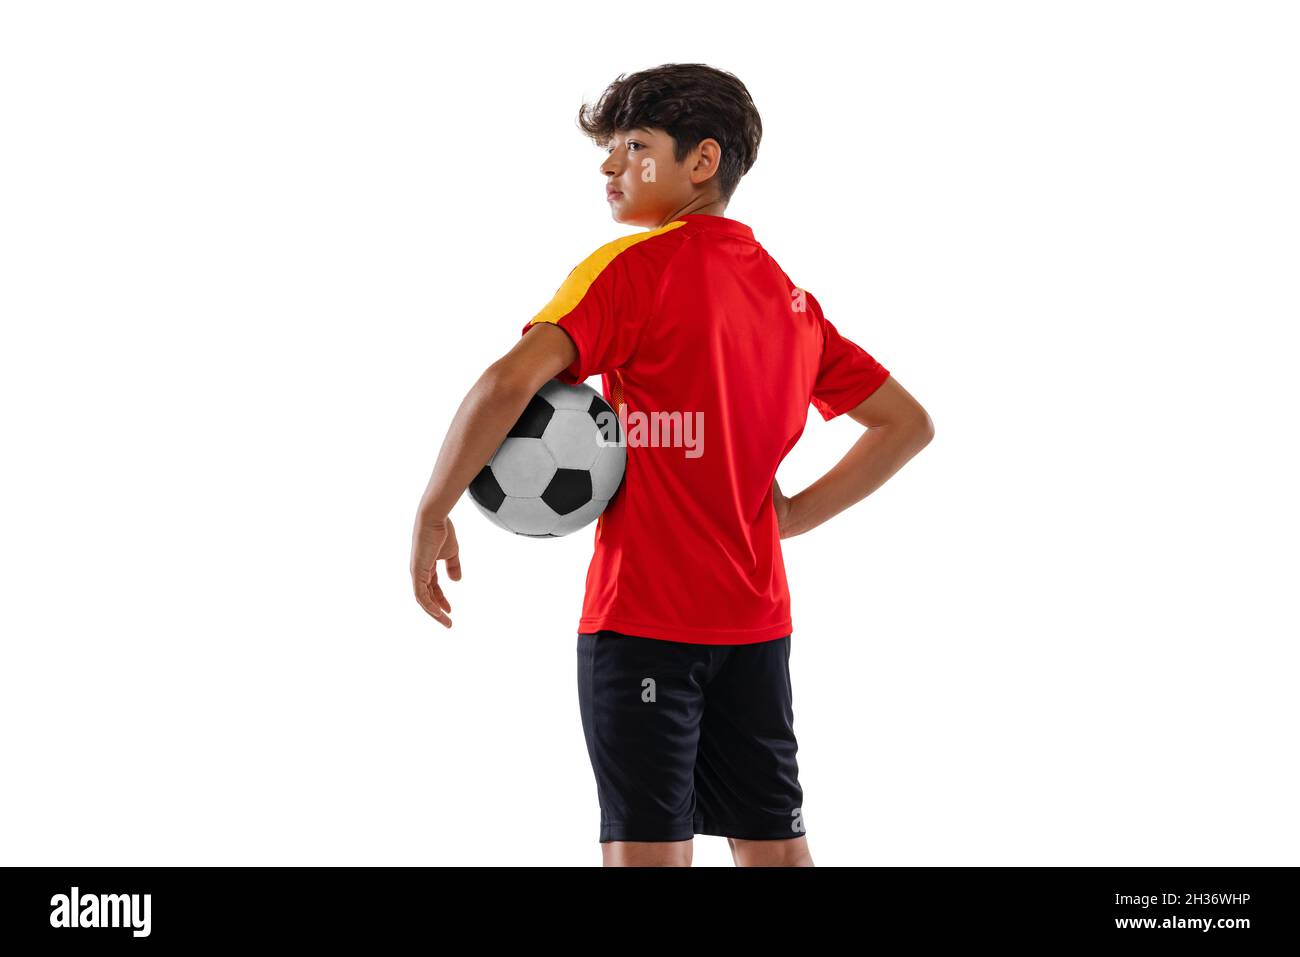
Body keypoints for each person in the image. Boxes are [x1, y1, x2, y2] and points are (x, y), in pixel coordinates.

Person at [410, 63, 935, 867]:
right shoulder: (791, 301)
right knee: (779, 852)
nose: (609, 163)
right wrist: (788, 514)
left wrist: (433, 507)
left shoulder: (631, 271)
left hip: (643, 623)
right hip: (758, 626)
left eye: (633, 144)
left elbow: (508, 380)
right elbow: (906, 424)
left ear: (700, 161)